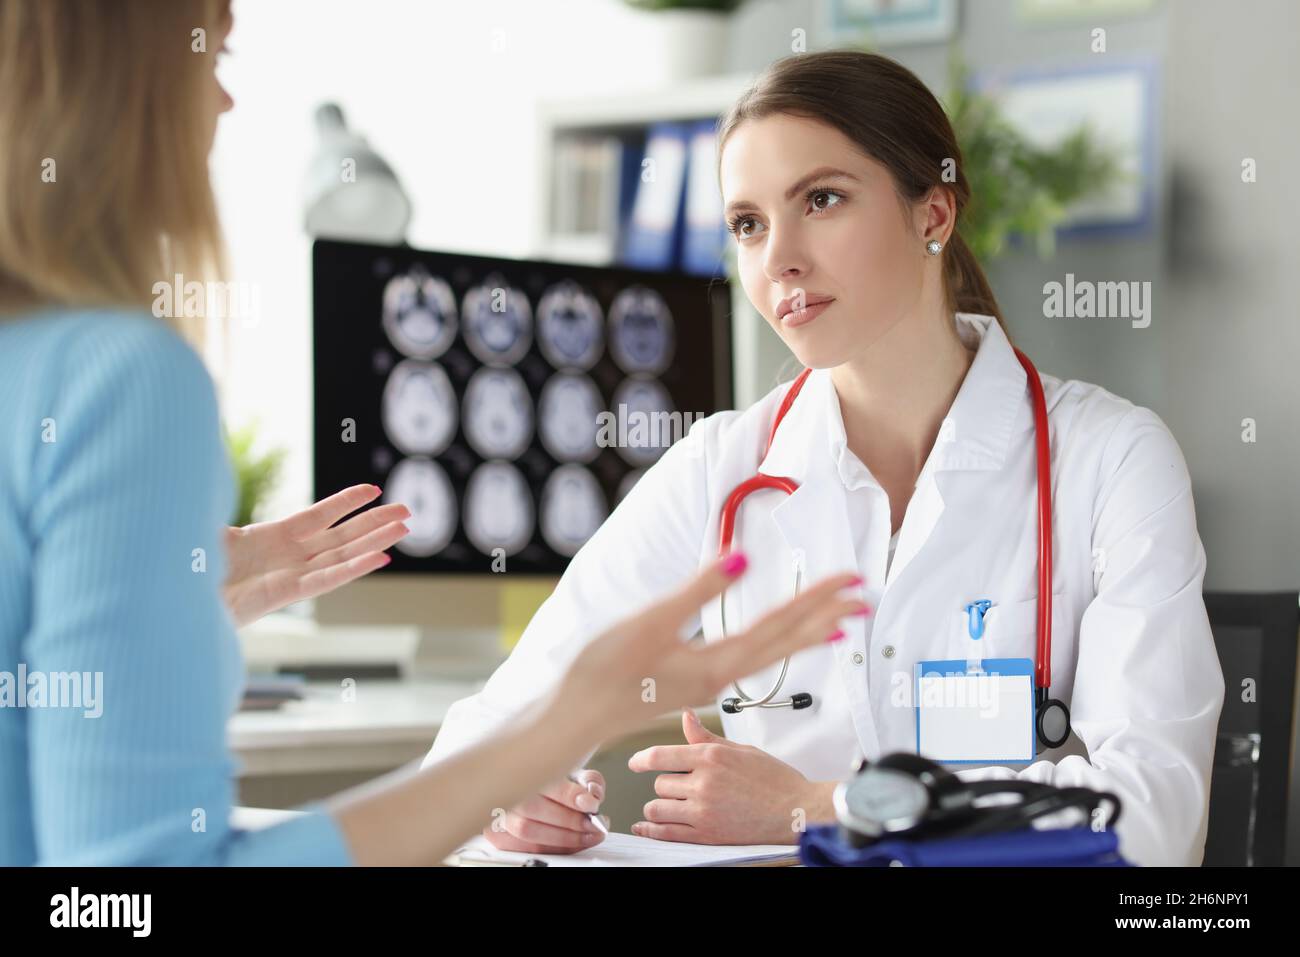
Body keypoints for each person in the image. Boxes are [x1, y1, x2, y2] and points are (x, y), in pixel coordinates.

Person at [0, 0, 869, 866]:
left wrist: (171, 598)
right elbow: (132, 889)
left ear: (934, 213)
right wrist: (571, 722)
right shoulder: (121, 377)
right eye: (213, 61)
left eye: (823, 200)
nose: (225, 107)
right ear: (123, 81)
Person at [424, 50, 1226, 868]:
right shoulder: (721, 469)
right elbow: (488, 736)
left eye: (822, 199)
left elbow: (1152, 820)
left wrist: (818, 808)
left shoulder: (1112, 459)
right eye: (748, 223)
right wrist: (503, 797)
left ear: (933, 215)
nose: (780, 260)